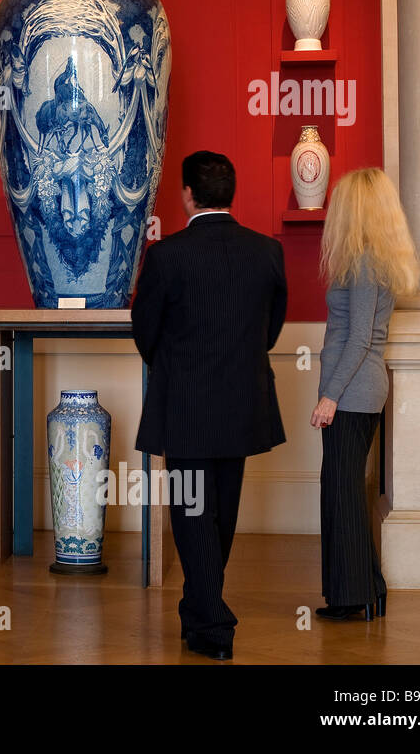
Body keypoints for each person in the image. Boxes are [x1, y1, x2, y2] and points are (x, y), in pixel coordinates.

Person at [132, 151, 288, 660]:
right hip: (242, 402)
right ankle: (201, 607)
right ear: (230, 193)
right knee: (220, 514)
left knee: (194, 513)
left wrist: (174, 367)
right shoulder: (266, 252)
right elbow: (271, 329)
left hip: (186, 405)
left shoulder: (166, 256)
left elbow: (145, 332)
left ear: (187, 195)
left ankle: (212, 625)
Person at [311, 168, 419, 622]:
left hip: (353, 392)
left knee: (342, 491)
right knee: (347, 491)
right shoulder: (373, 259)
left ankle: (354, 597)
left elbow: (357, 339)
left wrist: (329, 396)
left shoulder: (364, 263)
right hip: (360, 390)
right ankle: (366, 591)